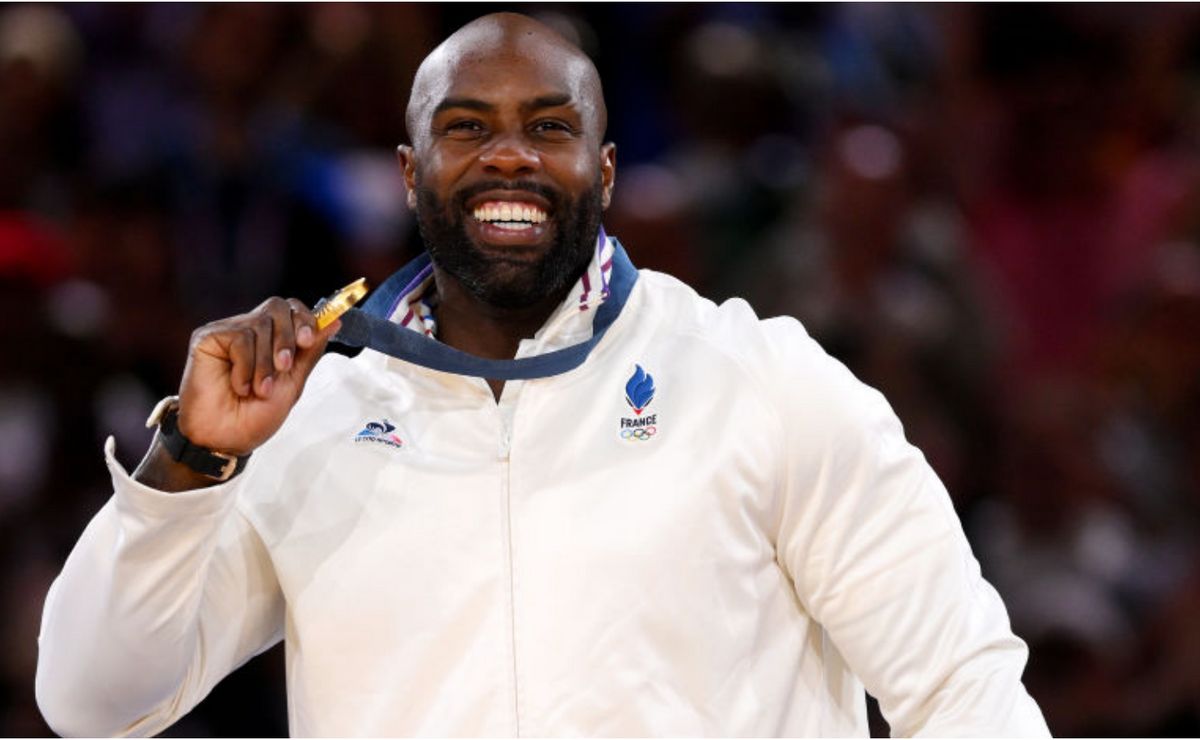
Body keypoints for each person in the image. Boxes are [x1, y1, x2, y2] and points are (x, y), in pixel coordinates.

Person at [35, 13, 1049, 737]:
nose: (510, 156)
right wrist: (190, 458)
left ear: (603, 169)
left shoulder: (760, 379)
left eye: (550, 127)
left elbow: (962, 686)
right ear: (410, 173)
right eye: (467, 126)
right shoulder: (316, 420)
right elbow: (91, 702)